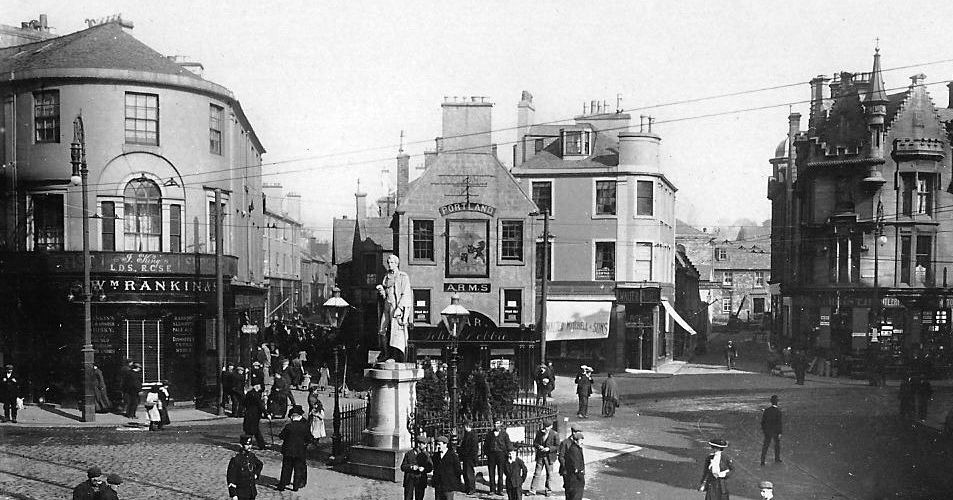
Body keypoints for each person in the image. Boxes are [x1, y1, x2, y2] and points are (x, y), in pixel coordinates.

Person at [377, 254, 412, 362]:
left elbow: (406, 294)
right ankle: (386, 353)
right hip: (387, 305)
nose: (389, 265)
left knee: (395, 331)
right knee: (382, 330)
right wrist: (382, 291)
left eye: (392, 262)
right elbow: (386, 293)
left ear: (396, 263)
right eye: (388, 263)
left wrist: (400, 308)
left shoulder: (402, 276)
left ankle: (394, 356)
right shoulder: (386, 277)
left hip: (395, 306)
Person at [277, 405, 312, 492]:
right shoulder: (305, 426)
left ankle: (282, 485)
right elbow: (310, 438)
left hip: (288, 451)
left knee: (286, 468)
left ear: (292, 417)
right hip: (300, 452)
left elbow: (281, 436)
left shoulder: (288, 427)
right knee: (298, 469)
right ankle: (295, 486)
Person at [227, 435, 264, 500]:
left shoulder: (251, 456)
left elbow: (260, 464)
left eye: (250, 444)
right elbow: (231, 478)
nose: (249, 446)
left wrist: (256, 474)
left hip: (251, 492)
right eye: (247, 445)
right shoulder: (236, 459)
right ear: (242, 445)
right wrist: (233, 494)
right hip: (241, 493)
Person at [528, 419, 558, 497]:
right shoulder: (539, 433)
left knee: (549, 474)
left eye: (547, 427)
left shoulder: (555, 434)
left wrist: (549, 449)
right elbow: (535, 443)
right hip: (540, 456)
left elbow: (558, 446)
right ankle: (532, 490)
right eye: (544, 426)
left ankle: (548, 490)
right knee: (537, 473)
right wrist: (539, 446)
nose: (545, 428)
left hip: (550, 457)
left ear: (551, 426)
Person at [483, 419, 513, 496]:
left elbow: (508, 444)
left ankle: (500, 490)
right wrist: (487, 453)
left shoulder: (504, 434)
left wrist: (509, 452)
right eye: (495, 423)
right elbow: (485, 445)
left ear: (501, 424)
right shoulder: (489, 434)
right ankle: (492, 489)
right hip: (492, 455)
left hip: (501, 455)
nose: (496, 425)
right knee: (491, 472)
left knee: (500, 473)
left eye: (498, 423)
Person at [400, 434, 433, 500]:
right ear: (419, 444)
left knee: (419, 497)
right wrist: (411, 467)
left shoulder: (426, 455)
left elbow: (430, 467)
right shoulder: (409, 454)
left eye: (425, 444)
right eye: (424, 444)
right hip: (410, 479)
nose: (425, 446)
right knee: (408, 497)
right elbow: (403, 467)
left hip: (420, 479)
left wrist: (424, 469)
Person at [430, 435, 463, 500]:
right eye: (437, 444)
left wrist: (455, 483)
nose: (438, 446)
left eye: (439, 444)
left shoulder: (453, 455)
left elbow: (458, 470)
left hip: (448, 486)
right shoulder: (436, 456)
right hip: (439, 485)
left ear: (445, 444)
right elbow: (435, 469)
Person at [559, 429, 586, 500]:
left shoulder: (578, 447)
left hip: (575, 473)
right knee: (570, 493)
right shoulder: (566, 443)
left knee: (574, 493)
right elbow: (561, 457)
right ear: (573, 433)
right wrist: (567, 468)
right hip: (568, 472)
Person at [243, 382, 269, 450]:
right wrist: (267, 414)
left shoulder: (249, 393)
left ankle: (257, 445)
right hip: (254, 414)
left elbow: (244, 403)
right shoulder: (255, 395)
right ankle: (250, 444)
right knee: (253, 431)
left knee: (252, 430)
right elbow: (260, 405)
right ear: (257, 386)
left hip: (249, 413)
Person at [760, 395, 782, 465]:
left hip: (768, 431)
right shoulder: (778, 411)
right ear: (777, 402)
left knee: (766, 446)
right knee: (777, 445)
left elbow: (763, 422)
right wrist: (780, 432)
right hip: (775, 431)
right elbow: (779, 423)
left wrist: (764, 430)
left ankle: (762, 460)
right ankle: (777, 458)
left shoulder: (767, 411)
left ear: (771, 402)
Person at [458, 420, 478, 495]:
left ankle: (471, 488)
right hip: (466, 456)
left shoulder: (473, 434)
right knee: (466, 473)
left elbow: (473, 448)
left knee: (469, 473)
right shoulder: (467, 434)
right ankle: (467, 488)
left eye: (464, 426)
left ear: (466, 426)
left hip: (470, 457)